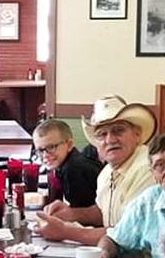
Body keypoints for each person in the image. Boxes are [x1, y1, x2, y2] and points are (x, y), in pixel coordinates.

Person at [35, 95, 157, 246]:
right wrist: (70, 214)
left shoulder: (148, 169)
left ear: (137, 134)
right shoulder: (107, 172)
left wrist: (65, 232)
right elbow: (102, 212)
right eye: (102, 134)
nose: (110, 140)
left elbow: (128, 233)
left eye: (118, 130)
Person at [33, 119, 102, 211]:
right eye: (40, 150)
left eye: (51, 147)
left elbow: (81, 213)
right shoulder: (71, 162)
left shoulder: (73, 169)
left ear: (69, 145)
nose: (45, 155)